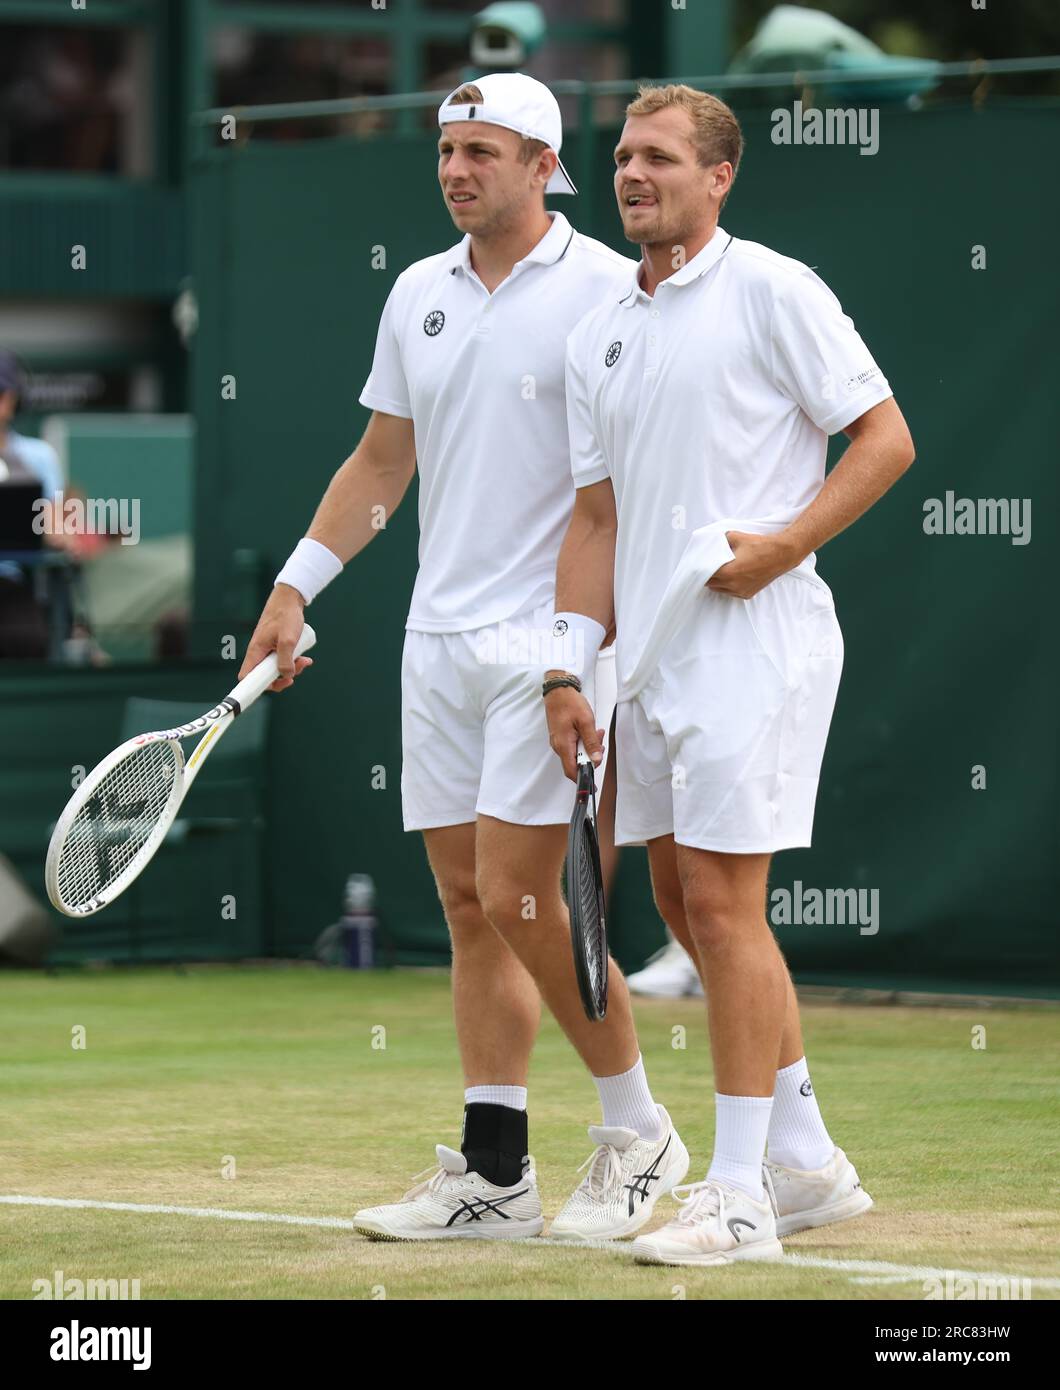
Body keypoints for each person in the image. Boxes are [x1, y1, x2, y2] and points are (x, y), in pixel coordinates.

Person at [239, 74, 689, 1242]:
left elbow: (617, 492)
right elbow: (383, 463)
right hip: (434, 640)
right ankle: (495, 1171)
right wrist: (296, 585)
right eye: (445, 150)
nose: (454, 171)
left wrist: (579, 648)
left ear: (544, 164)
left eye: (480, 151)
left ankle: (638, 1129)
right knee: (467, 908)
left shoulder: (608, 291)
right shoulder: (414, 293)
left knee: (523, 892)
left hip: (550, 644)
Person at [544, 84, 915, 1266]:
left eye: (658, 158)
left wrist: (788, 542)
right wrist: (568, 669)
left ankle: (741, 1195)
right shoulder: (598, 328)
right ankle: (805, 1162)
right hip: (644, 657)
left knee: (717, 900)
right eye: (621, 158)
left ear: (719, 177)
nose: (632, 175)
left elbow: (887, 438)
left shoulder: (774, 287)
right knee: (675, 906)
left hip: (757, 640)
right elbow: (594, 523)